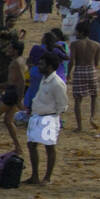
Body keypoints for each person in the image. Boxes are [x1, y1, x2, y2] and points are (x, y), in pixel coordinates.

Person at [26, 52, 66, 184]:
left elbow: (63, 105)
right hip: (37, 115)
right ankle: (35, 176)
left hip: (49, 117)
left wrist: (53, 116)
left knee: (49, 147)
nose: (39, 66)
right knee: (31, 145)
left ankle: (47, 178)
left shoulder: (57, 83)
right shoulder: (45, 78)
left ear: (49, 67)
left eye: (42, 64)